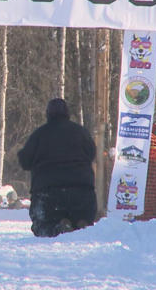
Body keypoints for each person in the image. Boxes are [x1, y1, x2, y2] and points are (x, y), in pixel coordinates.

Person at [18, 98, 97, 237]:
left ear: (47, 114)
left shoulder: (39, 135)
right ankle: (82, 223)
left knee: (42, 225)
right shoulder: (81, 133)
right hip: (82, 192)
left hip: (48, 193)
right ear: (68, 113)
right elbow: (92, 154)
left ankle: (58, 227)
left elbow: (25, 161)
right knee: (84, 221)